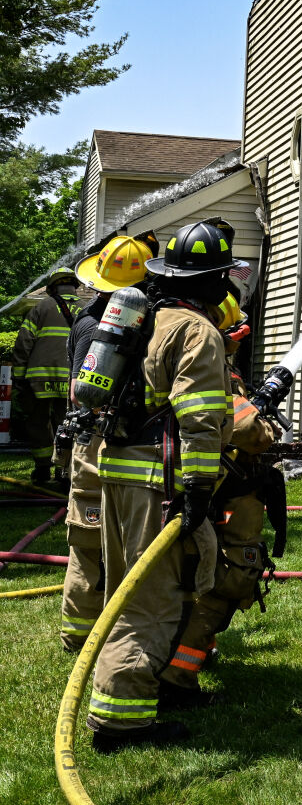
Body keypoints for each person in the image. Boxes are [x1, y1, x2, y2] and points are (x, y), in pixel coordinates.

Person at [88, 220, 246, 753]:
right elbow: (201, 418)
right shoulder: (197, 331)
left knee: (124, 589)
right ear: (212, 279)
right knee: (151, 599)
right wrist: (199, 488)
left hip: (116, 471)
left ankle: (122, 700)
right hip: (159, 483)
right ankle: (121, 723)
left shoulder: (148, 319)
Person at [158, 292, 286, 704]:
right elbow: (248, 429)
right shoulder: (211, 364)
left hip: (196, 491)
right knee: (228, 580)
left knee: (191, 576)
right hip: (227, 498)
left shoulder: (189, 353)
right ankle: (177, 676)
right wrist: (265, 423)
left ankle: (185, 655)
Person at [59, 233, 158, 651]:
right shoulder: (118, 324)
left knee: (94, 538)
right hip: (108, 440)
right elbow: (82, 391)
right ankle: (90, 633)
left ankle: (86, 631)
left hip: (96, 439)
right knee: (102, 541)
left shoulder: (95, 320)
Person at [11, 269, 78, 483]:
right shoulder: (87, 309)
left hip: (39, 379)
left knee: (37, 422)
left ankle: (42, 469)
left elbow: (23, 344)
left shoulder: (42, 307)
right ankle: (63, 469)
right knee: (66, 424)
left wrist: (19, 378)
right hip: (71, 381)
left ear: (51, 287)